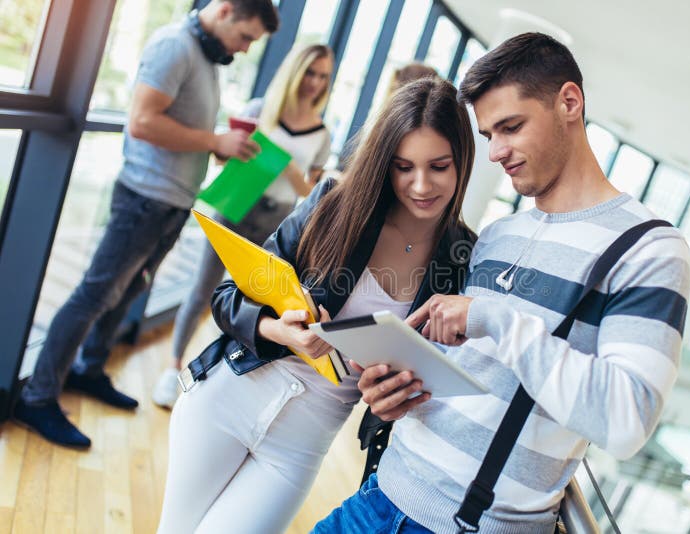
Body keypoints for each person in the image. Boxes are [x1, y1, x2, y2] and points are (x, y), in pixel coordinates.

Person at [314, 32, 690, 534]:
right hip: (380, 496)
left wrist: (494, 318)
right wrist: (396, 392)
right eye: (489, 134)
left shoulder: (649, 249)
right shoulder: (496, 235)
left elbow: (624, 422)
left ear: (569, 103)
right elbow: (470, 372)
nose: (495, 152)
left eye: (510, 127)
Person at [156, 77, 476, 534]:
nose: (420, 185)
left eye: (439, 166)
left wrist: (396, 397)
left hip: (301, 442)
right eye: (403, 167)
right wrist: (279, 330)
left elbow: (442, 382)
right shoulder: (335, 203)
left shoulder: (463, 257)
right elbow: (227, 297)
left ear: (462, 160)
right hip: (228, 396)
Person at [12, 0, 279, 449]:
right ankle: (37, 397)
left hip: (169, 202)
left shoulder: (204, 54)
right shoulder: (173, 45)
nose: (247, 48)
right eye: (246, 37)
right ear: (227, 10)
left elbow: (176, 124)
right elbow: (141, 122)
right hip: (143, 200)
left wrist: (214, 147)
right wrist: (214, 139)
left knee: (128, 289)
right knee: (95, 294)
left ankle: (88, 368)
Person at [151, 43, 335, 409]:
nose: (315, 82)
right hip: (236, 210)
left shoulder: (321, 134)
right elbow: (224, 158)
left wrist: (284, 166)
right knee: (203, 288)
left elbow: (312, 192)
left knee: (250, 303)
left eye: (323, 76)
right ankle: (171, 369)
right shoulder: (259, 110)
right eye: (310, 72)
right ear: (295, 71)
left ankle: (217, 373)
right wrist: (241, 151)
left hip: (276, 221)